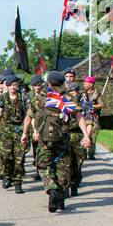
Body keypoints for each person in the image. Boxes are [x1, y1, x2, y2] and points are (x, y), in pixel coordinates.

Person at [31, 70, 90, 213]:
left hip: (44, 140)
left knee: (44, 167)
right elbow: (79, 117)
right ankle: (60, 197)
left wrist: (35, 131)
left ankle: (52, 190)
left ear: (48, 82)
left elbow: (31, 117)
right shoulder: (67, 98)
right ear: (63, 82)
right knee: (63, 169)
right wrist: (86, 135)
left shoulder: (40, 99)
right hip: (62, 140)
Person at [0, 75, 28, 193]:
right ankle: (7, 176)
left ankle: (18, 182)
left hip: (19, 131)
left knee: (19, 158)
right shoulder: (2, 99)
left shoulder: (23, 98)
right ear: (7, 86)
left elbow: (28, 116)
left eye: (15, 85)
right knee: (6, 157)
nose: (13, 87)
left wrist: (28, 131)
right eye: (11, 85)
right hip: (5, 132)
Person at [25, 74, 45, 183]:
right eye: (35, 85)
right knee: (36, 149)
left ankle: (42, 170)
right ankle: (38, 169)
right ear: (32, 86)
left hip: (44, 126)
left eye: (39, 85)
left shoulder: (45, 95)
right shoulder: (28, 96)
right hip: (33, 127)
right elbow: (28, 114)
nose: (37, 87)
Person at [82, 75, 103, 158]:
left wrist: (92, 106)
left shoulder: (97, 94)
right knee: (84, 134)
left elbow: (101, 104)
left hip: (94, 117)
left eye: (86, 83)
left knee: (93, 135)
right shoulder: (82, 93)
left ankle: (91, 153)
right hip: (84, 116)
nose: (84, 84)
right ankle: (83, 152)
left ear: (91, 84)